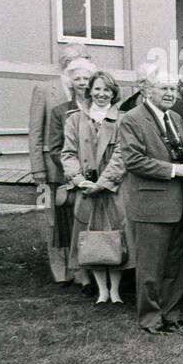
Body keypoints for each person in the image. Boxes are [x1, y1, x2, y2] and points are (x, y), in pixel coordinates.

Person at [118, 66, 183, 335]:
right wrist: (174, 170)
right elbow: (133, 160)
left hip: (178, 203)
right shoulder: (132, 119)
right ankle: (150, 318)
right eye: (164, 88)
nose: (170, 93)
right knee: (150, 267)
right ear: (147, 90)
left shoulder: (175, 117)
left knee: (174, 266)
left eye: (173, 88)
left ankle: (171, 314)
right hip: (150, 205)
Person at [60, 70, 131, 304]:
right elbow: (68, 153)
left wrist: (102, 184)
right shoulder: (75, 119)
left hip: (113, 189)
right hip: (86, 189)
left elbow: (122, 155)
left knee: (116, 236)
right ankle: (102, 290)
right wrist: (79, 180)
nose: (102, 94)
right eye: (97, 89)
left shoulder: (123, 120)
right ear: (90, 91)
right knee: (92, 236)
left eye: (107, 89)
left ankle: (116, 290)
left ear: (114, 93)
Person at [29, 46, 89, 282]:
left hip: (79, 167)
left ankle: (79, 268)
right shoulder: (45, 89)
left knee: (75, 218)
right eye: (77, 60)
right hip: (50, 168)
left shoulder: (86, 90)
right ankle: (60, 271)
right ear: (65, 63)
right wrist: (37, 168)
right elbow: (35, 131)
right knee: (53, 220)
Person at [48, 56, 97, 287]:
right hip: (73, 179)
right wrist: (75, 174)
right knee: (75, 227)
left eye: (87, 78)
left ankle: (102, 267)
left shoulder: (100, 107)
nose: (82, 82)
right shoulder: (60, 111)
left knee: (98, 225)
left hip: (98, 178)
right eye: (77, 78)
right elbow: (55, 148)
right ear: (70, 81)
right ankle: (82, 275)